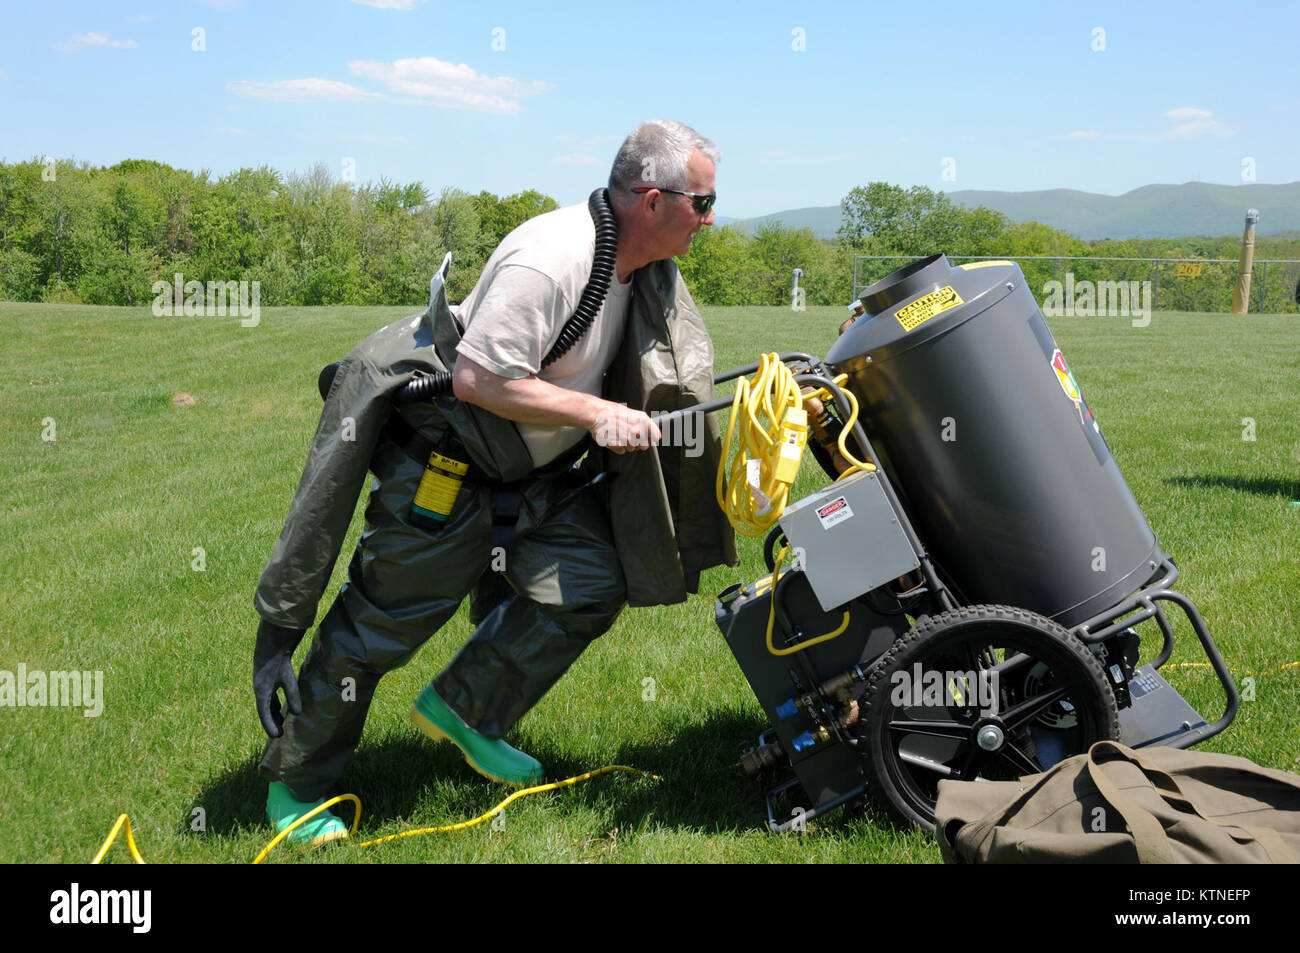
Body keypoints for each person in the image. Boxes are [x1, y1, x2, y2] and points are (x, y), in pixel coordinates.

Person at [251, 120, 737, 845]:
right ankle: (295, 783)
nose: (710, 220)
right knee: (378, 628)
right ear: (651, 200)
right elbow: (478, 379)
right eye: (703, 203)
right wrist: (597, 413)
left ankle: (467, 709)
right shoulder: (553, 259)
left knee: (595, 576)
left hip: (530, 478)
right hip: (448, 473)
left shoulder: (637, 264)